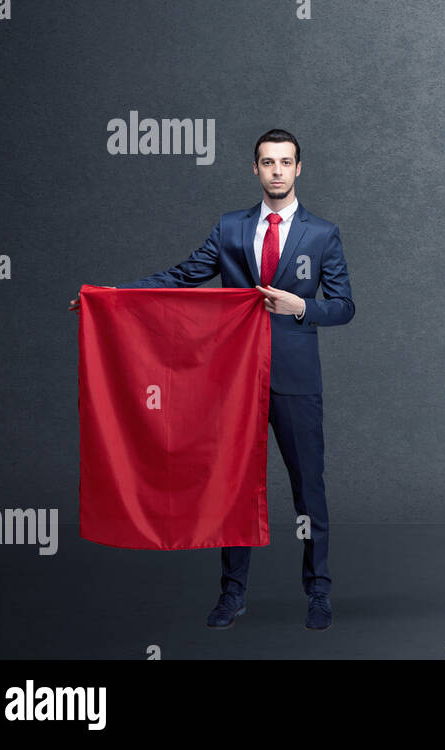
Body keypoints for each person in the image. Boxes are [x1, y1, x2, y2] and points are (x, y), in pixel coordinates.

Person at [69, 128, 354, 630]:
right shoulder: (231, 228)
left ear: (299, 168)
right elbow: (181, 276)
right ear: (256, 169)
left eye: (286, 162)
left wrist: (301, 306)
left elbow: (345, 306)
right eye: (268, 162)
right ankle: (232, 594)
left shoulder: (322, 234)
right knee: (234, 486)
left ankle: (319, 592)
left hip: (294, 378)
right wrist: (110, 297)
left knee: (308, 488)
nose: (277, 171)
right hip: (236, 379)